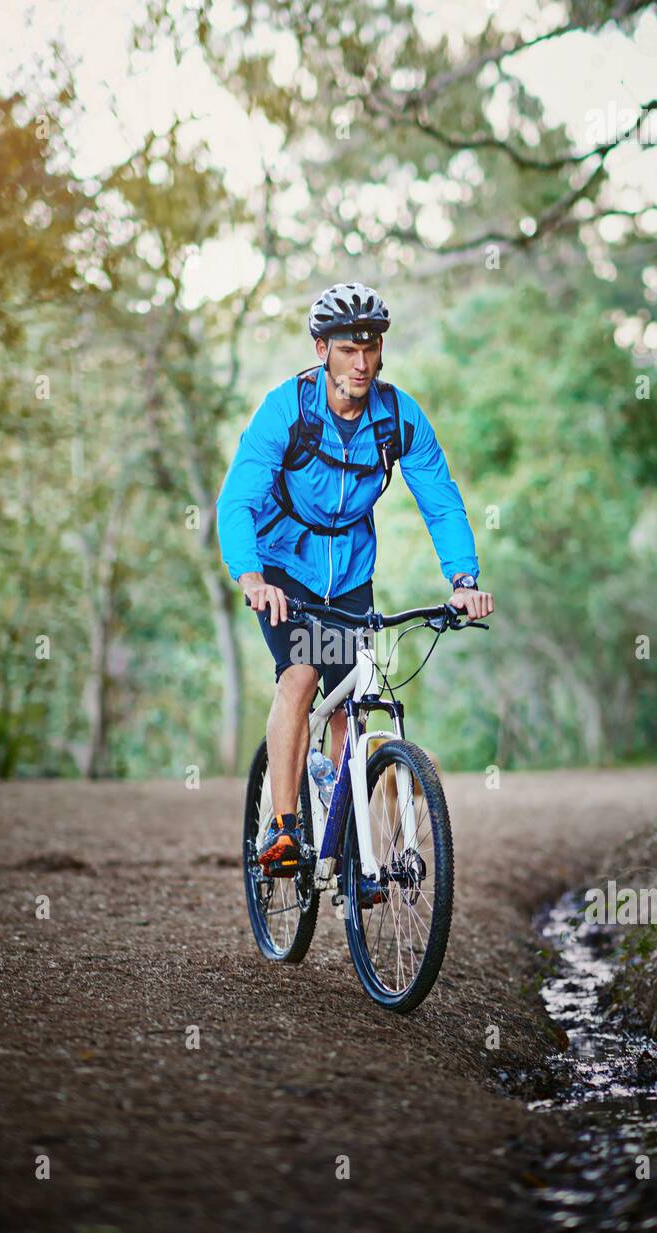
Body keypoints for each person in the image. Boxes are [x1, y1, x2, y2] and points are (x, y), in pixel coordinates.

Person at [216, 281, 493, 874]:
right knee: (301, 672)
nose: (361, 362)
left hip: (349, 576)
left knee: (354, 701)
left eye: (370, 348)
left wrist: (463, 579)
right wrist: (251, 577)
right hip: (284, 568)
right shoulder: (285, 411)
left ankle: (348, 841)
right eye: (347, 348)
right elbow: (237, 500)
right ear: (322, 350)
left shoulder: (398, 418)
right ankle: (285, 829)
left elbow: (440, 501)